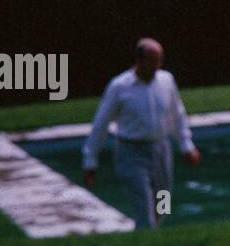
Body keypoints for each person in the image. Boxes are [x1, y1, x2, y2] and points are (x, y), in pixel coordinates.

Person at [82, 38, 201, 230]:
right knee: (144, 210)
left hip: (161, 149)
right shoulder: (120, 86)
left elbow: (177, 114)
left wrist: (187, 146)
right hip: (131, 153)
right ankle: (145, 236)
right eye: (152, 61)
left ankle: (153, 237)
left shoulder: (166, 80)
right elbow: (101, 124)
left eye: (159, 61)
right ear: (139, 61)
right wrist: (90, 160)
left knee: (164, 204)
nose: (156, 66)